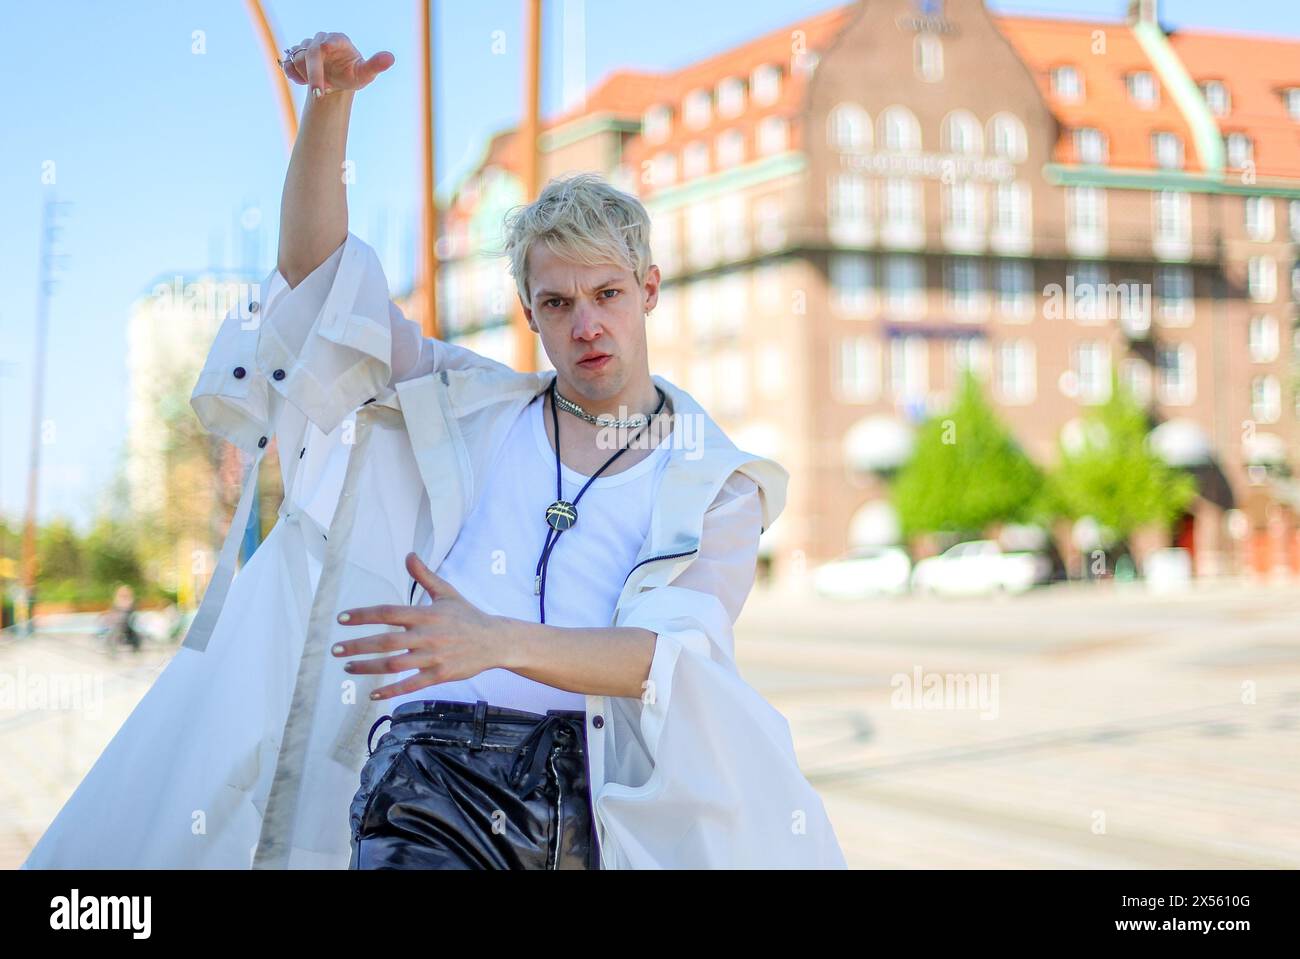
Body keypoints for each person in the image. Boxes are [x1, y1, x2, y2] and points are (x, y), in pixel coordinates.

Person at [23, 31, 844, 870]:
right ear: (529, 314)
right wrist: (328, 109)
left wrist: (494, 638)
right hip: (429, 776)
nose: (586, 323)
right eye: (557, 302)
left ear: (650, 290)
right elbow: (322, 289)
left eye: (607, 294)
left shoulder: (717, 483)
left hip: (591, 806)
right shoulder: (470, 405)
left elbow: (666, 659)